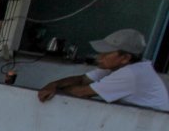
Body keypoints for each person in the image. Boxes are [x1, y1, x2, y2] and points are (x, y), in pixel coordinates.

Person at [37, 28, 169, 111]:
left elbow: (82, 92)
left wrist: (55, 90)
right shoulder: (118, 65)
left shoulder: (132, 73)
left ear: (125, 57)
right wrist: (53, 84)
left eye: (106, 53)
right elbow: (83, 79)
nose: (99, 57)